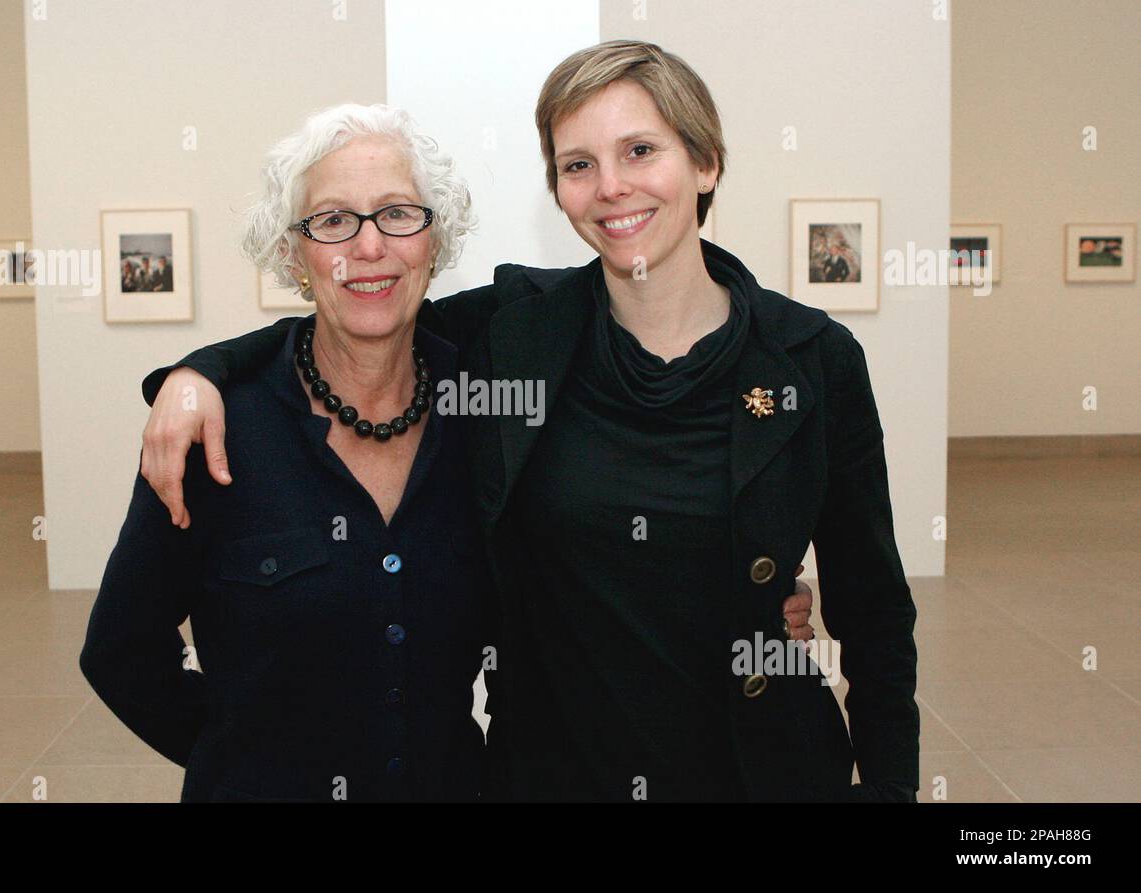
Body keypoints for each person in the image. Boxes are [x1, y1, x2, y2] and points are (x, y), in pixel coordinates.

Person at [138, 40, 909, 802]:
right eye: (578, 165)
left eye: (640, 150)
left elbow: (874, 609)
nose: (611, 187)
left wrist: (889, 790)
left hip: (764, 768)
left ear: (705, 163)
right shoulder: (513, 333)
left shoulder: (813, 360)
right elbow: (366, 311)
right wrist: (201, 370)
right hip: (558, 772)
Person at [80, 104, 496, 801]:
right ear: (293, 254)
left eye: (397, 213)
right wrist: (237, 758)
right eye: (333, 221)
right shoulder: (219, 431)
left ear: (434, 239)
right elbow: (121, 651)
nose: (369, 248)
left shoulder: (485, 414)